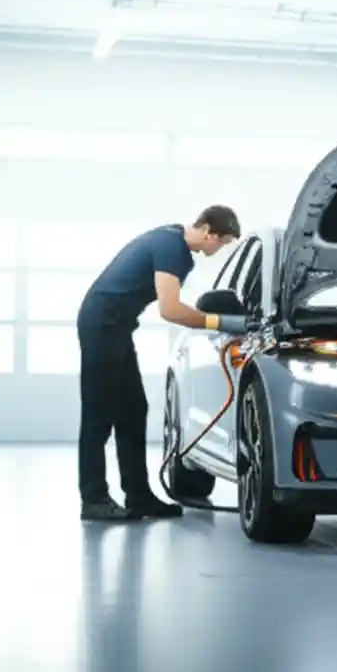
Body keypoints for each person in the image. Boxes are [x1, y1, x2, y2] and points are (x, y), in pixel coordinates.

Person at [76, 205, 247, 522]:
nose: (218, 249)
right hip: (101, 325)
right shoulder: (173, 248)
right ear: (208, 232)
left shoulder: (171, 239)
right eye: (221, 242)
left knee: (133, 410)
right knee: (99, 413)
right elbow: (170, 310)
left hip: (116, 327)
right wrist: (223, 322)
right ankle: (94, 498)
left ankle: (138, 496)